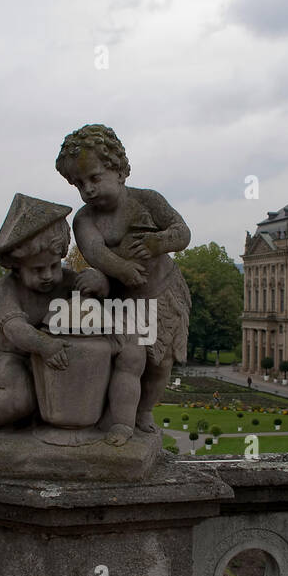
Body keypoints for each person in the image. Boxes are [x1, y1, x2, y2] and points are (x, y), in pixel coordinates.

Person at [58, 124, 191, 436]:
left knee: (160, 366)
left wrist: (158, 243)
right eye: (78, 184)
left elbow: (182, 232)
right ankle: (119, 420)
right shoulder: (85, 219)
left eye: (94, 177)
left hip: (163, 294)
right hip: (124, 301)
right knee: (130, 361)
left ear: (118, 170)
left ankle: (144, 412)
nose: (87, 189)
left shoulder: (148, 200)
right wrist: (120, 268)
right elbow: (93, 251)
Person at [0, 196, 138, 448]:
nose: (49, 275)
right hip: (13, 356)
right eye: (37, 270)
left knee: (127, 352)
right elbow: (14, 329)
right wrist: (45, 345)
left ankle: (119, 422)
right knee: (19, 399)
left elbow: (96, 295)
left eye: (54, 265)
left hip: (54, 354)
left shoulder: (64, 280)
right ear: (16, 267)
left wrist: (99, 281)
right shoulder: (7, 288)